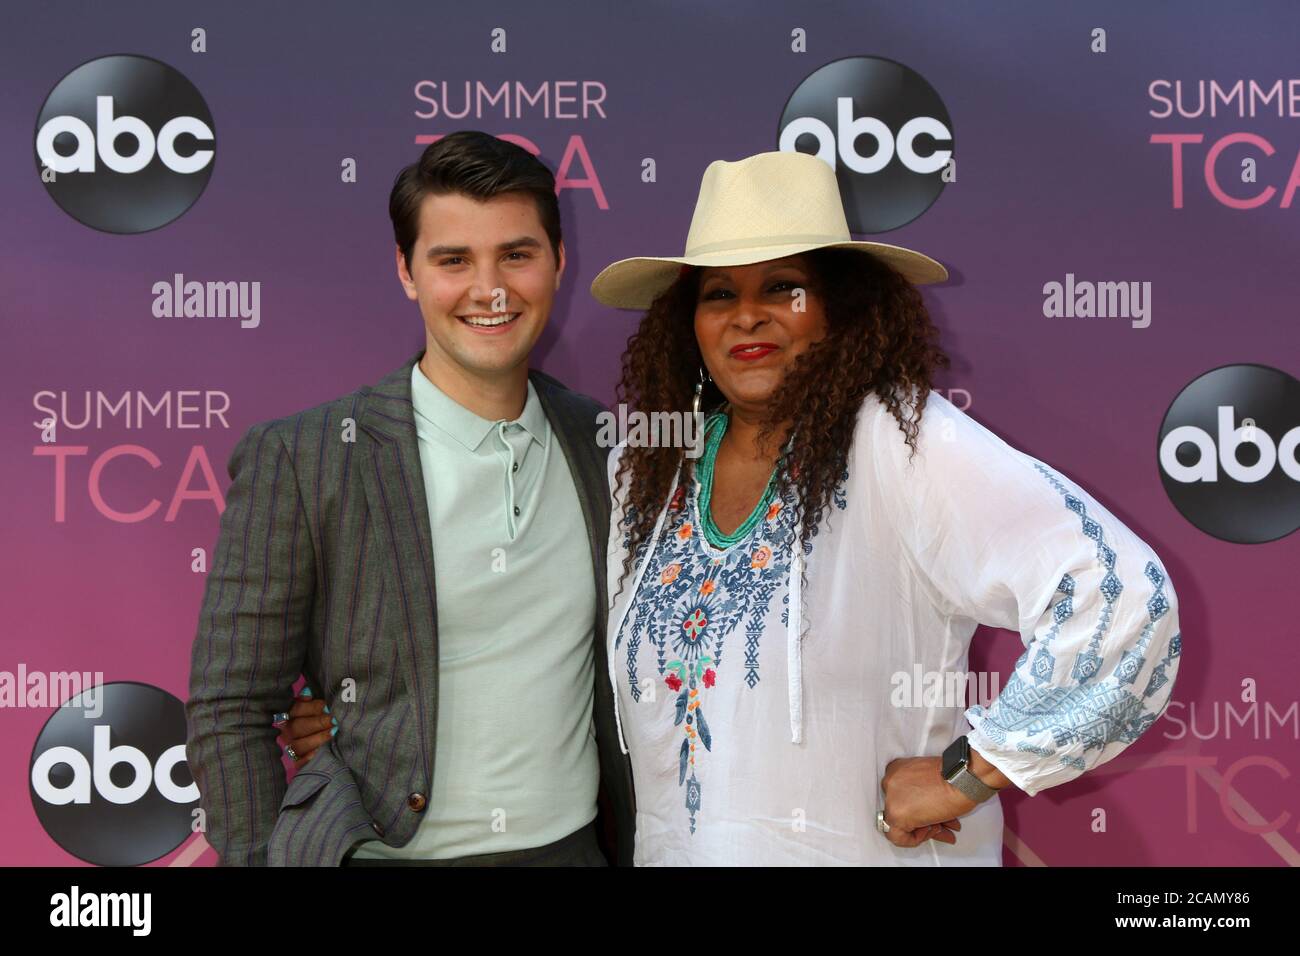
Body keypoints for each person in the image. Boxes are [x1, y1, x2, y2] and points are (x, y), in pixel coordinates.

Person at [285, 149, 1182, 866]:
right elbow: (530, 634)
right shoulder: (657, 462)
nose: (749, 318)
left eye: (783, 288)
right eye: (721, 294)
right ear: (690, 320)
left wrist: (968, 773)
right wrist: (368, 714)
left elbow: (1121, 595)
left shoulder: (899, 439)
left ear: (836, 306)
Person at [185, 131, 634, 867]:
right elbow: (230, 704)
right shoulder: (309, 457)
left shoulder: (606, 445)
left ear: (558, 262)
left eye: (516, 254)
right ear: (407, 271)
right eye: (453, 259)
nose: (490, 288)